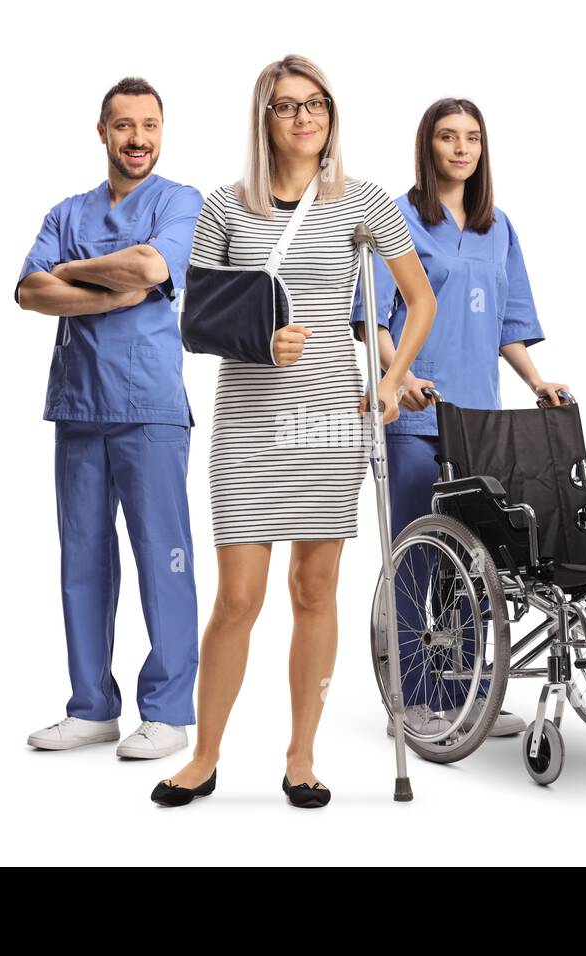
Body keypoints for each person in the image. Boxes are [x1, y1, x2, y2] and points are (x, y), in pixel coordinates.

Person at [150, 55, 436, 809]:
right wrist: (257, 339)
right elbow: (194, 322)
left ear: (331, 116)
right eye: (288, 107)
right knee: (238, 598)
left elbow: (418, 299)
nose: (305, 118)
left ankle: (302, 757)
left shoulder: (362, 202)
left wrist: (388, 377)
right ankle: (203, 755)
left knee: (315, 587)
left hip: (326, 413)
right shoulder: (224, 208)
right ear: (264, 119)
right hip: (249, 415)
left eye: (316, 105)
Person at [351, 97, 569, 740]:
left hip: (481, 423)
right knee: (421, 555)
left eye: (472, 137)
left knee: (476, 563)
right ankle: (415, 698)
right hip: (416, 417)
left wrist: (535, 382)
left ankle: (470, 691)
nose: (461, 148)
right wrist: (402, 377)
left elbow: (510, 324)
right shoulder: (397, 218)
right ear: (429, 145)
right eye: (448, 137)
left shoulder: (497, 226)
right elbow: (375, 317)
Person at [16, 77, 203, 760]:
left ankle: (168, 710)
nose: (137, 139)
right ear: (103, 132)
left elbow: (153, 264)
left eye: (149, 125)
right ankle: (92, 708)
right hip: (78, 405)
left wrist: (77, 275)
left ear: (162, 130)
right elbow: (30, 290)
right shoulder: (68, 209)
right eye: (124, 126)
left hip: (149, 404)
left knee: (164, 557)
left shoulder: (181, 202)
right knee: (83, 560)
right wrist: (109, 293)